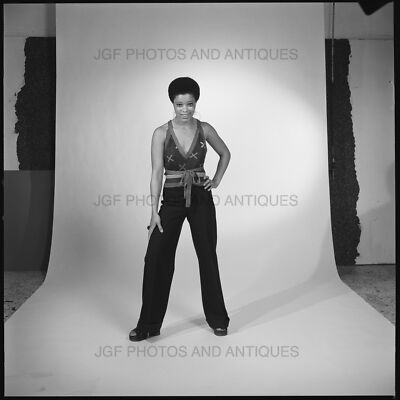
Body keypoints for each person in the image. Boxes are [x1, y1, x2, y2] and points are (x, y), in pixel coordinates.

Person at [129, 77, 231, 341]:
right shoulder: (161, 133)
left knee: (207, 257)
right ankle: (148, 324)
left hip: (201, 199)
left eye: (190, 104)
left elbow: (225, 153)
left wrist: (216, 180)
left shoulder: (205, 129)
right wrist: (154, 212)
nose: (185, 109)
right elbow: (156, 173)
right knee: (155, 259)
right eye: (179, 104)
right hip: (172, 200)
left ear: (196, 103)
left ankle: (218, 320)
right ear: (172, 103)